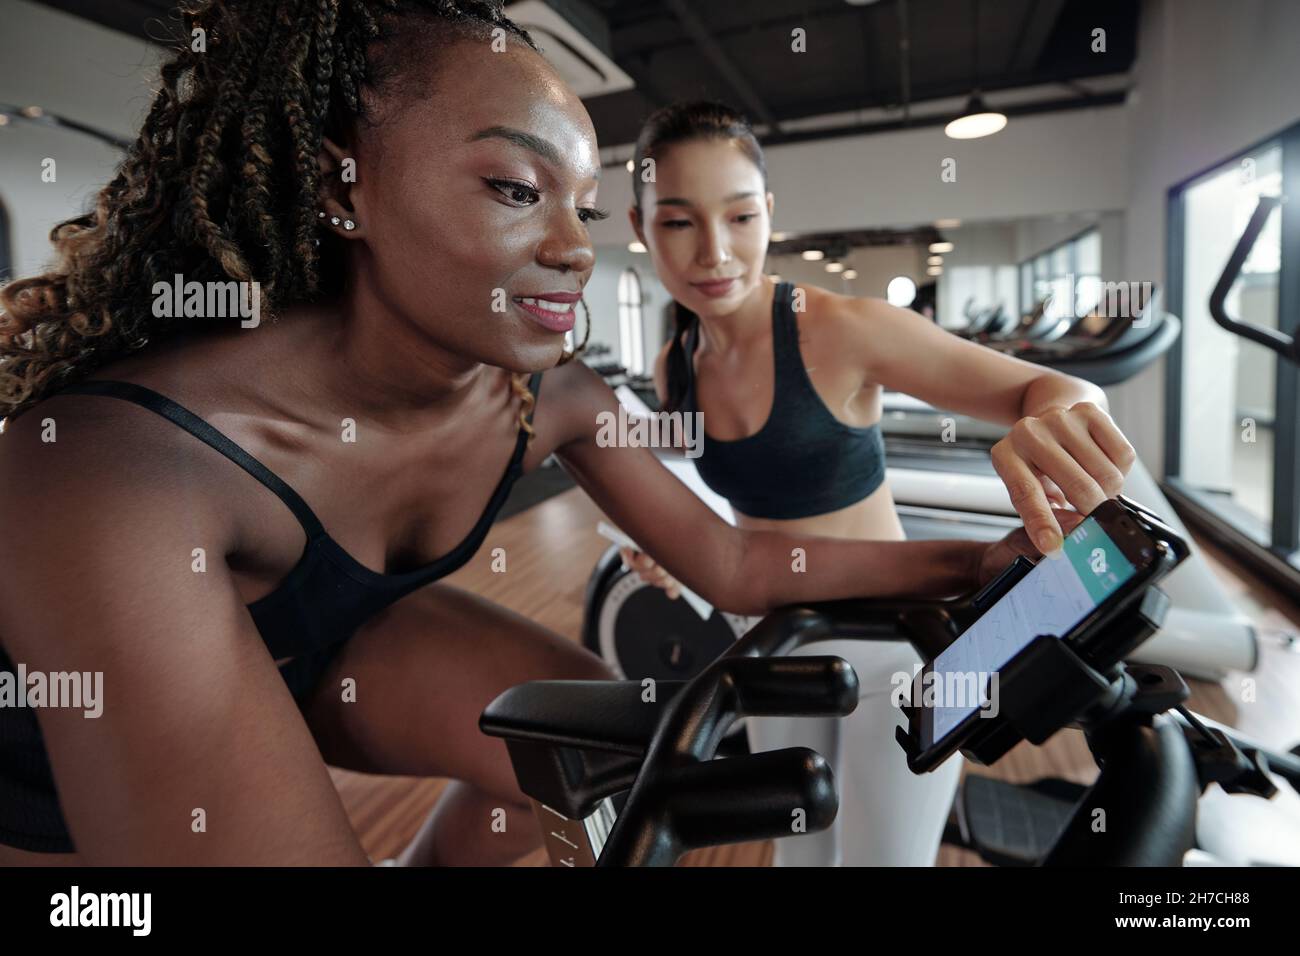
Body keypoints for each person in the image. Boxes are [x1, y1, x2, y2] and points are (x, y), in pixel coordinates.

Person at [0, 1, 1050, 867]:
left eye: (583, 211)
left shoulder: (552, 398)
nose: (571, 247)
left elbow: (729, 557)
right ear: (338, 186)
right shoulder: (118, 467)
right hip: (49, 769)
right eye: (514, 188)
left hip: (318, 639)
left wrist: (973, 559)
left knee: (604, 743)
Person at [619, 101, 1137, 865]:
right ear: (639, 227)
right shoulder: (675, 366)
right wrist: (673, 549)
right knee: (800, 860)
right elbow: (722, 505)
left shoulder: (840, 329)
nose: (714, 251)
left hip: (896, 651)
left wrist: (1054, 417)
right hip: (776, 649)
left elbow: (1057, 388)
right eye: (678, 222)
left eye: (738, 217)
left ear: (767, 212)